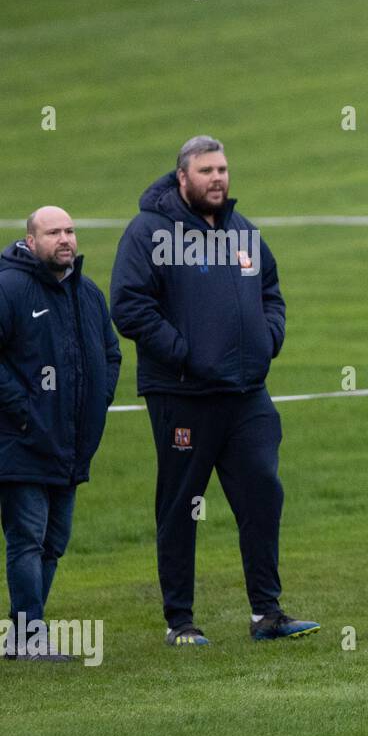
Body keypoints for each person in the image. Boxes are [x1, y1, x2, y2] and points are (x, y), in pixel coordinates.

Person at [111, 135, 318, 647]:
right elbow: (129, 306)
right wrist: (184, 353)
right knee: (182, 504)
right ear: (182, 177)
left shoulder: (243, 232)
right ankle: (179, 620)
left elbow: (271, 290)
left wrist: (269, 337)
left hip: (247, 393)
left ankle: (266, 614)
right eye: (206, 171)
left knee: (262, 493)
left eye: (222, 169)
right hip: (183, 396)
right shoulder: (149, 232)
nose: (218, 179)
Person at [0, 208, 120, 662]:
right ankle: (30, 637)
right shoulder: (9, 288)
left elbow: (110, 354)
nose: (65, 239)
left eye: (69, 231)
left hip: (70, 443)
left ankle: (22, 635)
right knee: (27, 539)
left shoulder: (86, 292)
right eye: (53, 233)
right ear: (31, 241)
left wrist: (95, 403)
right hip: (21, 441)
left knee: (54, 543)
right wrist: (24, 411)